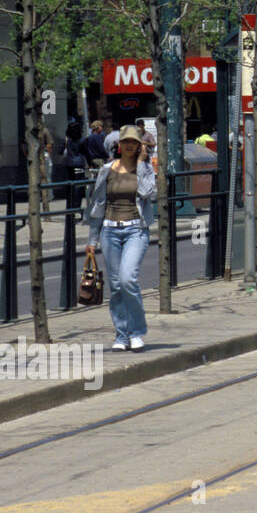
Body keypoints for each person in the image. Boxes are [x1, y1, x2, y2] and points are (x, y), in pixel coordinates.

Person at [85, 125, 156, 352]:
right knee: (116, 286)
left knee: (128, 279)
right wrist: (92, 240)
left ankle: (137, 332)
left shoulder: (144, 169)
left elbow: (148, 193)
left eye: (133, 142)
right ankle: (121, 335)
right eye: (125, 141)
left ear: (139, 146)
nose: (128, 145)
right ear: (119, 145)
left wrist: (143, 163)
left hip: (136, 229)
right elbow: (97, 206)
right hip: (109, 231)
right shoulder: (107, 170)